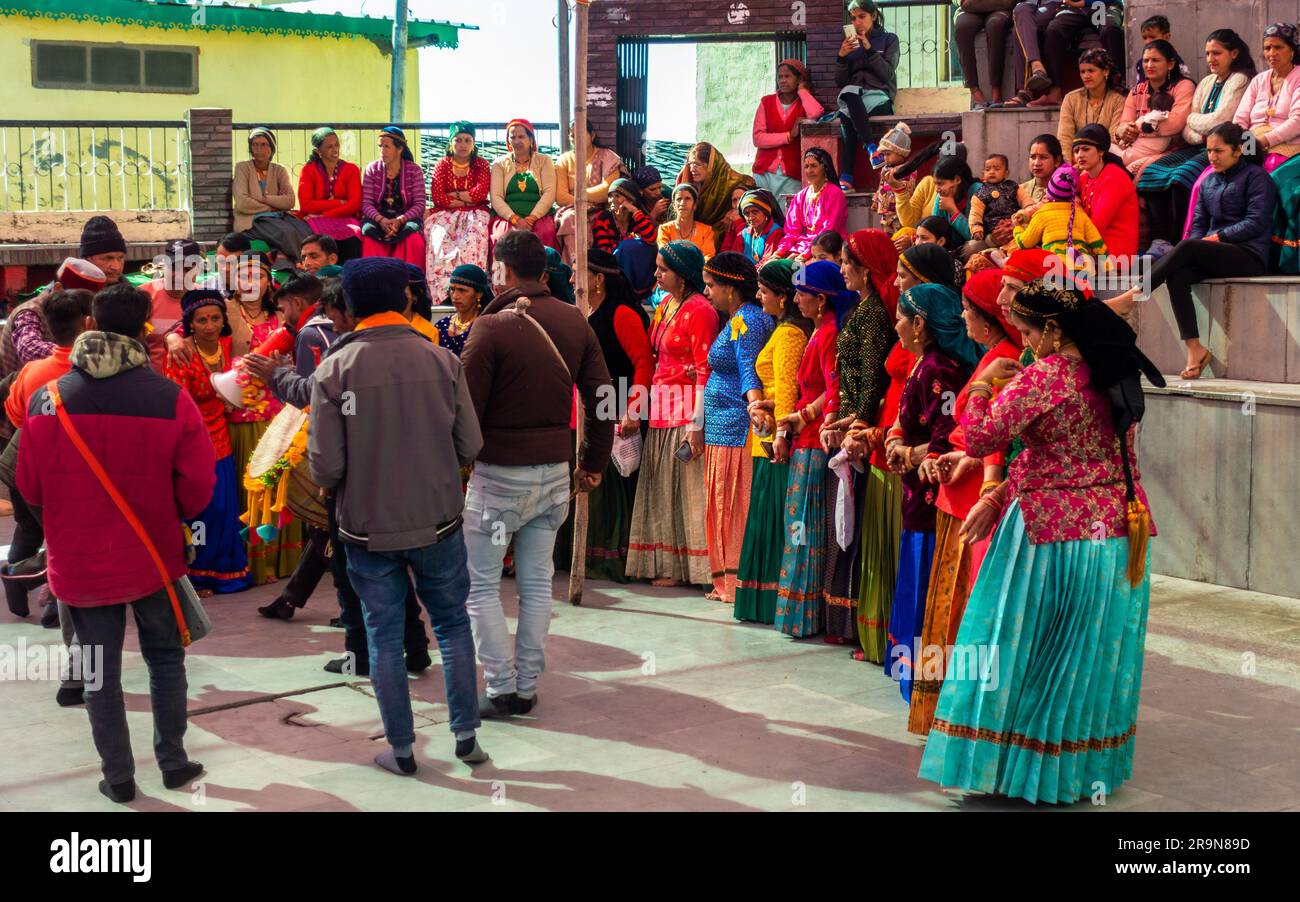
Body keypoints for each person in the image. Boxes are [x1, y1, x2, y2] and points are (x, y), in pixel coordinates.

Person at [918, 282, 1164, 805]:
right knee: (1084, 659)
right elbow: (1075, 459)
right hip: (1115, 533)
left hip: (1050, 537)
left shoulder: (1048, 377)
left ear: (1054, 330)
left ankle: (1011, 768)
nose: (1026, 344)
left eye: (1029, 331)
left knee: (1014, 647)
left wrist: (983, 385)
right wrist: (1002, 491)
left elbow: (982, 438)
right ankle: (1066, 773)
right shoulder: (1108, 369)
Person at [18, 282, 212, 803]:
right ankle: (172, 762)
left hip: (80, 560)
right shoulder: (170, 397)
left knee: (97, 669)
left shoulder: (47, 400)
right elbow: (197, 488)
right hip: (153, 553)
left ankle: (119, 778)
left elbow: (30, 488)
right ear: (145, 327)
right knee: (165, 658)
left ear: (90, 325)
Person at [309, 257, 487, 772]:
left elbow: (326, 467)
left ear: (350, 307)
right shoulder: (440, 360)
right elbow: (470, 443)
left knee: (383, 634)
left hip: (366, 528)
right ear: (407, 300)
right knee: (452, 624)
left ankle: (403, 750)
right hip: (439, 520)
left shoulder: (334, 369)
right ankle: (466, 738)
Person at [460, 230, 613, 718]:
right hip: (554, 475)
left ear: (502, 272)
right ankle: (525, 687)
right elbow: (603, 399)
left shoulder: (489, 327)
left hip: (498, 475)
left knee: (482, 587)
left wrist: (458, 464)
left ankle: (502, 687)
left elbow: (463, 409)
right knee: (536, 584)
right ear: (544, 273)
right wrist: (592, 462)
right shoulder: (574, 320)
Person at [907, 268, 1021, 735]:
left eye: (968, 309)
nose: (961, 315)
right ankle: (941, 717)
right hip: (958, 488)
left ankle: (954, 720)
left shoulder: (1006, 359)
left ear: (987, 318)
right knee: (947, 605)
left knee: (960, 609)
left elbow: (994, 434)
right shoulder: (990, 355)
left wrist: (971, 463)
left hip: (975, 498)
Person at [883, 280, 980, 704]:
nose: (897, 325)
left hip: (928, 496)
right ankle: (911, 678)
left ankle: (923, 683)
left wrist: (905, 449)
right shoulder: (922, 364)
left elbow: (946, 440)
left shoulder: (941, 372)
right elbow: (909, 422)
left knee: (924, 584)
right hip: (913, 493)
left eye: (902, 318)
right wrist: (893, 438)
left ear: (919, 324)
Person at [553, 250, 653, 583]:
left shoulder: (622, 314)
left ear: (598, 279)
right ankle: (579, 556)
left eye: (578, 273)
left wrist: (634, 408)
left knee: (608, 488)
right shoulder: (582, 312)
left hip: (616, 403)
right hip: (589, 404)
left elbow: (643, 363)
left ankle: (606, 559)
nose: (570, 280)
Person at [1149, 124, 1277, 379]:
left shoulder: (1257, 177)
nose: (1212, 157)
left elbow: (1257, 222)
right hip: (1217, 251)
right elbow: (1198, 225)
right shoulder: (1208, 182)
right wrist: (1203, 242)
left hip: (1249, 254)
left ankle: (1134, 294)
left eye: (1219, 151)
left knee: (1187, 246)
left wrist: (1218, 237)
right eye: (1208, 151)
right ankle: (1194, 349)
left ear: (1238, 150)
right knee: (1178, 275)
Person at [769, 262, 856, 637]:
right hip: (804, 436)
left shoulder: (830, 332)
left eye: (802, 293)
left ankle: (804, 615)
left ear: (821, 299)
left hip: (813, 440)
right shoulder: (820, 329)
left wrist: (804, 416)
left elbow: (833, 390)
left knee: (804, 525)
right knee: (800, 525)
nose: (796, 299)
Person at [626, 241, 719, 588]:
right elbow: (654, 358)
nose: (655, 274)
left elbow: (704, 371)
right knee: (664, 489)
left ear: (681, 275)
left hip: (686, 413)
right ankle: (670, 565)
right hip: (662, 409)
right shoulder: (665, 306)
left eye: (662, 269)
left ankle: (695, 570)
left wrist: (696, 426)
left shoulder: (700, 311)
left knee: (688, 491)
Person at [820, 230, 897, 646]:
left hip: (863, 433)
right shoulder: (862, 308)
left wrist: (855, 423)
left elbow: (871, 380)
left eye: (849, 263)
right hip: (851, 424)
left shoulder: (874, 316)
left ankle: (864, 628)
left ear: (866, 270)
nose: (843, 268)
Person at [734, 259, 812, 624]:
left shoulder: (790, 335)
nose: (759, 297)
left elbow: (787, 389)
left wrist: (780, 432)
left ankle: (770, 600)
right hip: (767, 431)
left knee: (773, 516)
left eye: (765, 292)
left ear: (784, 298)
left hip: (774, 440)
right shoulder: (782, 331)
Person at [163, 289, 252, 597]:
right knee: (203, 511)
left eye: (215, 318)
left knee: (225, 509)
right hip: (195, 442)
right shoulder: (181, 352)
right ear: (190, 323)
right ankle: (198, 577)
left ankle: (226, 572)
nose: (210, 325)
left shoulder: (227, 345)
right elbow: (179, 404)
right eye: (201, 320)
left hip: (223, 438)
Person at [700, 252, 774, 604]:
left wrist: (754, 404)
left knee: (734, 503)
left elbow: (749, 365)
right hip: (721, 426)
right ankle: (726, 581)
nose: (707, 291)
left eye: (712, 285)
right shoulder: (736, 319)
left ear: (731, 289)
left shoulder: (747, 319)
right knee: (722, 503)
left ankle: (737, 582)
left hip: (736, 424)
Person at [1138, 30, 1255, 247]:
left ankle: (1177, 240)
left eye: (1217, 53)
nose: (1211, 59)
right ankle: (1159, 240)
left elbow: (1222, 119)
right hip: (1198, 146)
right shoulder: (1206, 82)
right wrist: (1200, 130)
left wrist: (1195, 121)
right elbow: (1186, 128)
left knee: (1181, 177)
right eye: (1208, 53)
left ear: (1234, 53)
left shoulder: (1240, 80)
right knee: (1151, 173)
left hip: (1222, 148)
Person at [1237, 23, 1300, 271]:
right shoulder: (1259, 80)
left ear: (1292, 50)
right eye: (1267, 48)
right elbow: (1240, 118)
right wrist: (1241, 140)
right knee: (1208, 176)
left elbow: (1297, 121)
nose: (1271, 53)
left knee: (1266, 178)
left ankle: (1263, 251)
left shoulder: (1298, 78)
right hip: (1253, 143)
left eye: (1278, 47)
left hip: (1288, 146)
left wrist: (1262, 141)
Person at [422, 122, 492, 301]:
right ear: (451, 143)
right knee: (439, 241)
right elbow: (438, 197)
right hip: (445, 213)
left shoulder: (481, 164)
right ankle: (444, 295)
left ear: (473, 143)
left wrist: (456, 196)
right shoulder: (442, 165)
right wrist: (465, 200)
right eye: (458, 140)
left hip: (475, 213)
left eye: (467, 140)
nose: (463, 144)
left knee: (471, 241)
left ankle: (471, 291)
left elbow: (480, 193)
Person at [1011, 0, 1126, 109]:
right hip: (1075, 8)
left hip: (1102, 6)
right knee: (1054, 31)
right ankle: (1055, 93)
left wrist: (1082, 2)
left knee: (1110, 30)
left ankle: (1117, 87)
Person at [835, 0, 900, 189]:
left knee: (846, 116)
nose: (857, 22)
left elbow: (887, 74)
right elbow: (841, 82)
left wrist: (869, 49)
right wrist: (841, 57)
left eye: (862, 16)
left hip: (879, 96)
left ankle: (846, 176)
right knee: (848, 97)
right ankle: (872, 148)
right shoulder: (849, 42)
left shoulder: (889, 39)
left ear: (874, 16)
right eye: (853, 18)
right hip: (855, 96)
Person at [1112, 40, 1194, 183]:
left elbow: (1175, 123)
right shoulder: (1137, 90)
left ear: (1170, 64)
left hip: (1173, 150)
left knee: (1130, 171)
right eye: (1146, 61)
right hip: (1136, 148)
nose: (1149, 65)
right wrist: (1124, 130)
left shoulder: (1183, 86)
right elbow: (1123, 123)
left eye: (1155, 60)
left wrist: (1138, 129)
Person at [1013, 164, 1107, 282]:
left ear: (1049, 192)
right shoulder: (1080, 215)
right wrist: (1107, 268)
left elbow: (1024, 243)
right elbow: (1098, 244)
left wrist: (1017, 228)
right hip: (1083, 270)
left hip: (1055, 270)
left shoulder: (1042, 214)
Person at [752, 58, 825, 208]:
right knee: (764, 216)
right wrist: (788, 136)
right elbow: (758, 138)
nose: (783, 81)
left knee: (788, 218)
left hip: (791, 175)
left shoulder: (803, 103)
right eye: (780, 77)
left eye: (787, 76)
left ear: (798, 79)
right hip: (764, 172)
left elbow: (816, 113)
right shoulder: (767, 102)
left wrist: (803, 91)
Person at [555, 120, 625, 263]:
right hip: (572, 210)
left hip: (601, 208)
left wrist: (577, 195)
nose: (576, 139)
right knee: (570, 219)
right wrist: (586, 200)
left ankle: (592, 270)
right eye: (573, 136)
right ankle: (576, 269)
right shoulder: (564, 160)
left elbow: (608, 190)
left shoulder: (607, 157)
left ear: (592, 135)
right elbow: (561, 197)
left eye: (581, 134)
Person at [360, 127, 428, 265]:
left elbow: (420, 204)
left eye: (387, 146)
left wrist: (400, 220)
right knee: (368, 232)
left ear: (399, 149)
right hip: (378, 218)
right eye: (380, 146)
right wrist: (381, 219)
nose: (382, 151)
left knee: (412, 236)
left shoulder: (414, 171)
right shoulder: (372, 169)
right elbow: (366, 203)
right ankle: (374, 277)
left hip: (406, 217)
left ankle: (411, 281)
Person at [1072, 124, 1139, 261]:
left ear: (1101, 151)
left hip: (1115, 256)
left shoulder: (1114, 178)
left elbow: (1096, 227)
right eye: (1076, 150)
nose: (1080, 155)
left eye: (1086, 149)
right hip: (1093, 251)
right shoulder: (1084, 177)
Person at [490, 118, 558, 250]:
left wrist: (531, 219)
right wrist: (515, 220)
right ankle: (503, 271)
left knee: (546, 233)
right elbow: (496, 197)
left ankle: (544, 271)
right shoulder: (499, 164)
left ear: (530, 139)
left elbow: (549, 193)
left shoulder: (544, 161)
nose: (516, 141)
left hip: (539, 217)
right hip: (508, 218)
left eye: (521, 136)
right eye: (512, 137)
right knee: (501, 237)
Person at [295, 126, 363, 258]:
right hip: (314, 220)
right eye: (329, 146)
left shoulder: (351, 170)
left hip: (344, 218)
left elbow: (354, 204)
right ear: (318, 151)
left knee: (354, 236)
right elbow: (306, 205)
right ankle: (323, 276)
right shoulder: (308, 171)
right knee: (320, 243)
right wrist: (340, 202)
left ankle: (348, 275)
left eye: (336, 145)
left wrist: (324, 214)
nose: (335, 149)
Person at [674, 142, 755, 245]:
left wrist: (738, 211)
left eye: (697, 164)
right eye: (690, 164)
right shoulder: (688, 182)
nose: (692, 169)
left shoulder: (738, 183)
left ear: (712, 165)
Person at [775, 148, 847, 261]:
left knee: (798, 271)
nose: (809, 171)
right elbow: (791, 231)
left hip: (827, 247)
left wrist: (806, 255)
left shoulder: (835, 193)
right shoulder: (800, 196)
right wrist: (779, 252)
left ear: (824, 167)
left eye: (814, 166)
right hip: (802, 247)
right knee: (776, 267)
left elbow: (829, 230)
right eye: (806, 167)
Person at [1056, 48, 1127, 155]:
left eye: (1091, 70)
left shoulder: (1118, 101)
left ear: (1105, 71)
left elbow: (1113, 139)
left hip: (1105, 159)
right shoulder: (1071, 99)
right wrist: (1067, 166)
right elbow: (1064, 137)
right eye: (1082, 72)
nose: (1086, 76)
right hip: (1075, 160)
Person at [955, 0, 1015, 111]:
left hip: (999, 9)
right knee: (962, 27)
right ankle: (976, 93)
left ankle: (996, 92)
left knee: (995, 25)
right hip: (971, 10)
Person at [233, 127, 295, 232]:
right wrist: (272, 207)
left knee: (295, 231)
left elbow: (290, 201)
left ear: (271, 148)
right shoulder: (242, 168)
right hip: (250, 222)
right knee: (283, 233)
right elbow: (242, 203)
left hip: (275, 220)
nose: (259, 149)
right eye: (255, 145)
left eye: (263, 144)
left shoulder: (279, 170)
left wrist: (263, 198)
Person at [965, 154, 1022, 258]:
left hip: (1014, 226)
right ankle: (1000, 258)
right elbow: (975, 213)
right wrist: (976, 229)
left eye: (996, 169)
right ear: (983, 173)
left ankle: (1010, 259)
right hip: (993, 231)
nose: (991, 172)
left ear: (1006, 173)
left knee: (1017, 246)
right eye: (988, 169)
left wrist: (1028, 210)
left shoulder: (1014, 187)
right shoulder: (980, 194)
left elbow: (1026, 201)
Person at [433, 263, 491, 357]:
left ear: (479, 294)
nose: (455, 296)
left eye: (462, 290)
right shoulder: (441, 326)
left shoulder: (485, 327)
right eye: (452, 289)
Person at [658, 183, 717, 259]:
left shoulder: (706, 231)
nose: (683, 203)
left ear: (695, 205)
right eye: (679, 199)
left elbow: (708, 257)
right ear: (674, 205)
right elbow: (666, 256)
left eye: (687, 199)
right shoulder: (665, 229)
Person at [736, 189, 785, 265]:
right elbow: (735, 258)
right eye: (747, 214)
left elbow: (767, 262)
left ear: (765, 213)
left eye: (755, 212)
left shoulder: (775, 232)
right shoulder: (743, 234)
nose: (751, 217)